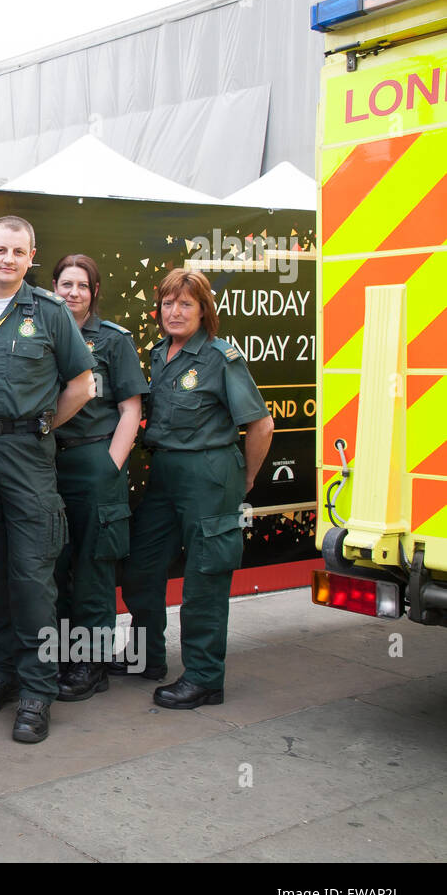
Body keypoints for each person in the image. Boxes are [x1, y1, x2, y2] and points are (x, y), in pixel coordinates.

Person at [0, 216, 94, 743]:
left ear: (32, 257)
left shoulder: (50, 312)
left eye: (19, 251)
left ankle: (37, 687)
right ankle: (0, 673)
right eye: (0, 249)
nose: (8, 259)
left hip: (28, 455)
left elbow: (82, 384)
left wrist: (42, 422)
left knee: (31, 576)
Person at [119, 268, 274, 708]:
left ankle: (204, 678)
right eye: (168, 303)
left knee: (204, 581)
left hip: (210, 475)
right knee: (141, 571)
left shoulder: (221, 358)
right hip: (165, 474)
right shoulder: (157, 355)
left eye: (185, 303)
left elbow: (262, 425)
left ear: (204, 310)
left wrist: (242, 480)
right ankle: (146, 657)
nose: (175, 311)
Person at [50, 254, 148, 700]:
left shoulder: (112, 341)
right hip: (46, 465)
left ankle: (93, 665)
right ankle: (64, 660)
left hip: (94, 461)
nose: (73, 293)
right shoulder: (42, 334)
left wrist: (110, 463)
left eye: (82, 285)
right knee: (55, 567)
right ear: (53, 287)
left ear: (93, 293)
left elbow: (131, 408)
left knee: (92, 569)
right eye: (66, 284)